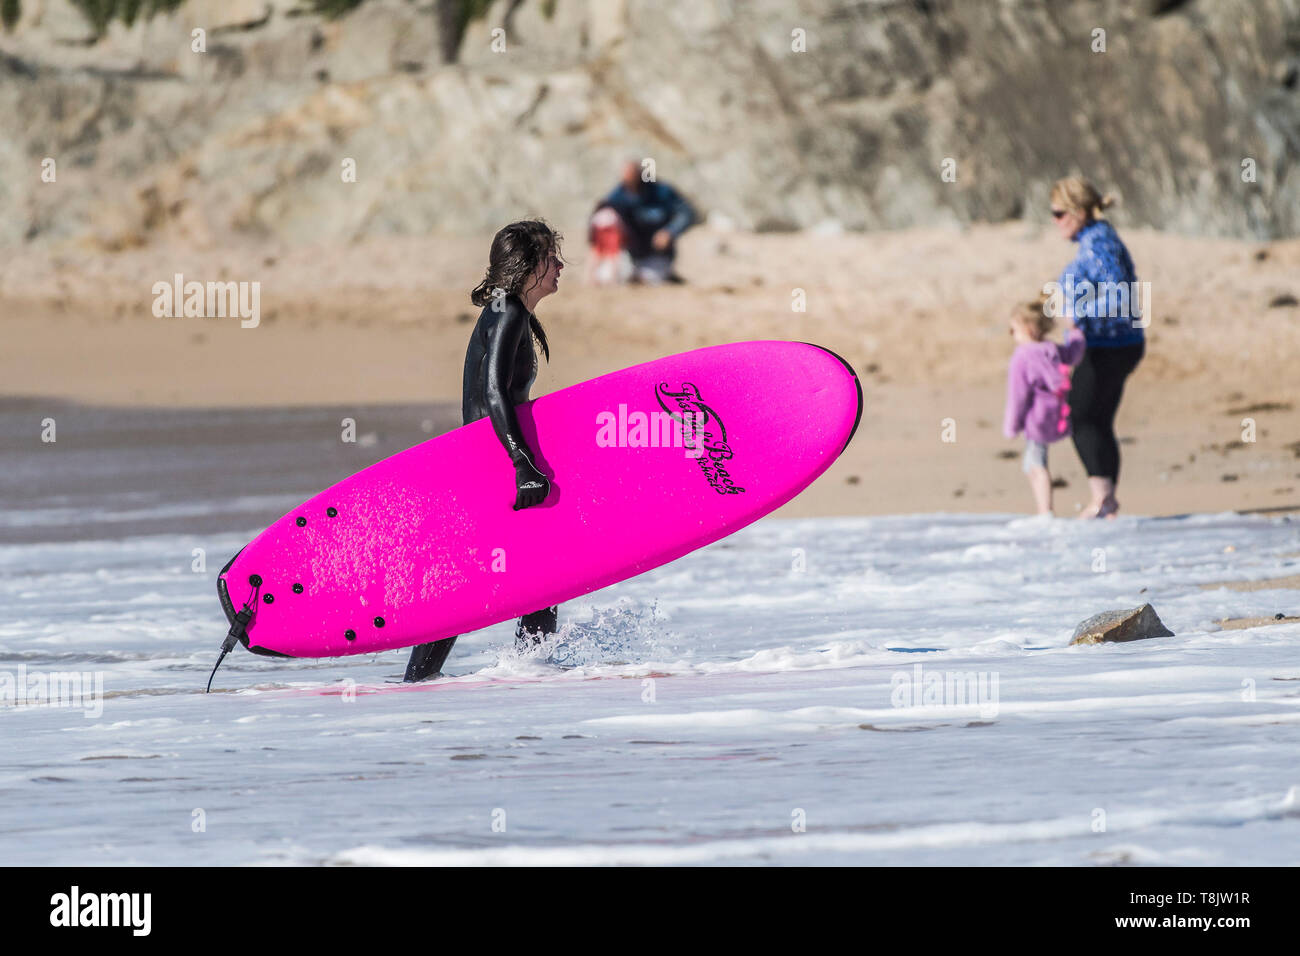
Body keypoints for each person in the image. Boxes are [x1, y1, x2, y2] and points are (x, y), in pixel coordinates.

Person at [403, 220, 563, 682]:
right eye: (550, 258)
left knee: (531, 580)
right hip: (493, 464)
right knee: (520, 580)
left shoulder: (506, 309)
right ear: (529, 265)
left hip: (480, 462)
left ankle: (430, 682)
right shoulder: (508, 309)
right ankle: (523, 673)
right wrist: (522, 464)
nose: (559, 267)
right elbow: (493, 393)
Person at [1049, 176, 1145, 519]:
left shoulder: (1099, 244)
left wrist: (1077, 315)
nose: (1055, 220)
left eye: (1058, 213)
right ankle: (1106, 500)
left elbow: (1121, 296)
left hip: (1111, 345)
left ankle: (1103, 499)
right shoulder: (1095, 240)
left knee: (1083, 415)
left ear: (1077, 211)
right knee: (1097, 418)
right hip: (1113, 343)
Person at [1003, 298, 1086, 515]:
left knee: (1035, 462)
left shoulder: (1022, 357)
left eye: (1013, 330)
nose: (1011, 335)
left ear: (1028, 329)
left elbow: (1018, 396)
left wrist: (1012, 426)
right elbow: (1075, 354)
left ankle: (1045, 510)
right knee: (1035, 459)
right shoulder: (1052, 350)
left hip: (1036, 417)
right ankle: (1045, 509)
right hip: (1059, 412)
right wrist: (1075, 331)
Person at [594, 158, 697, 284]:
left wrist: (670, 231)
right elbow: (600, 224)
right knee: (608, 276)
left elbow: (686, 213)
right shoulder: (618, 196)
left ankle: (664, 273)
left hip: (658, 255)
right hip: (630, 254)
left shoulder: (661, 192)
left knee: (651, 278)